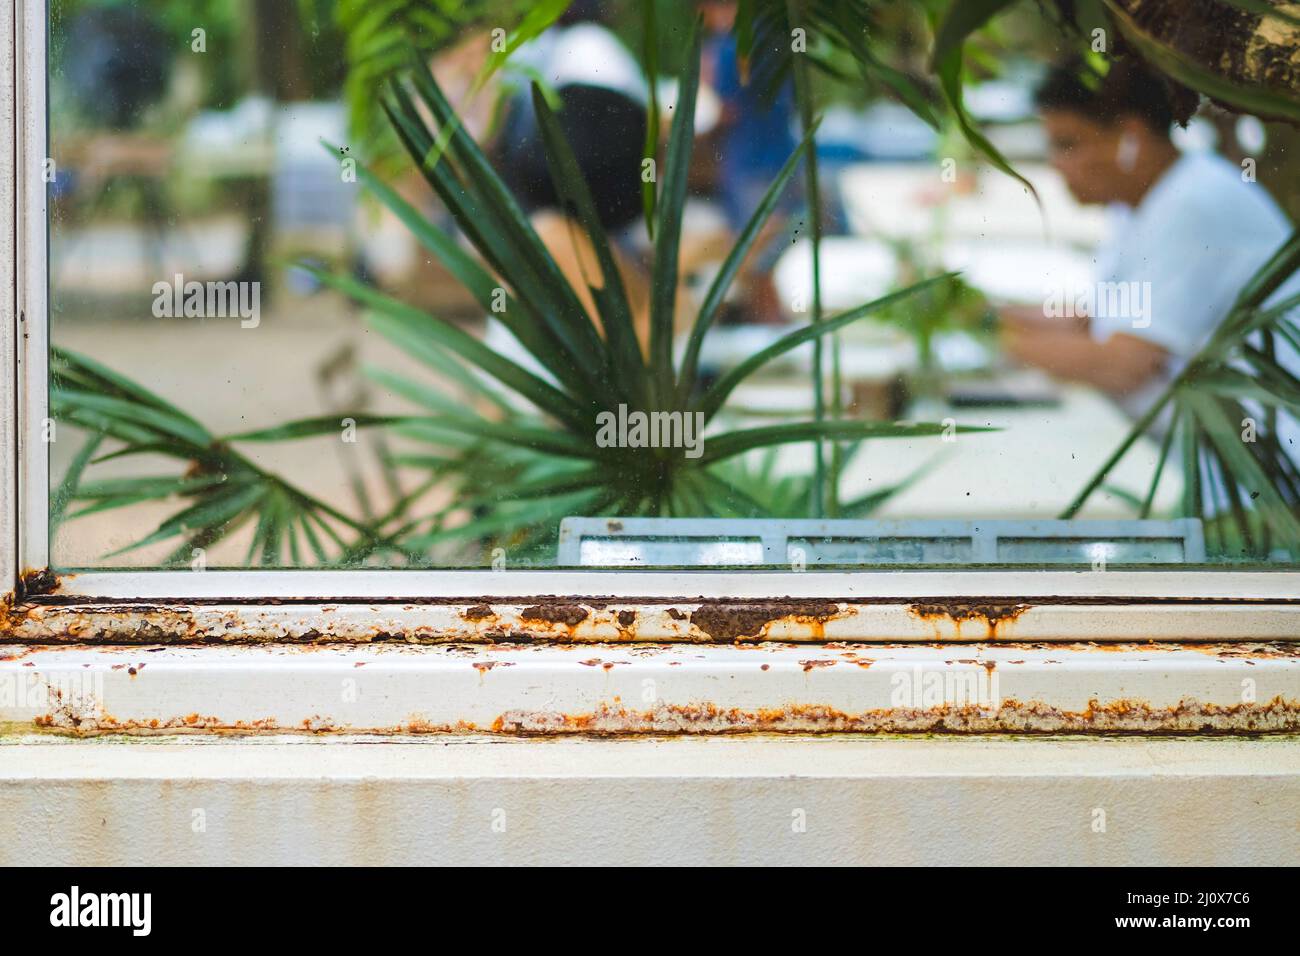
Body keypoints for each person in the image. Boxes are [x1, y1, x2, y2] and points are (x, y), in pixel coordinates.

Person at [1002, 59, 1297, 420]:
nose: (1055, 165)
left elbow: (1124, 365)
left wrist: (991, 342)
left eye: (1068, 144)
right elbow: (1095, 318)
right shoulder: (1141, 201)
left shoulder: (1192, 204)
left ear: (1132, 138)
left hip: (1252, 458)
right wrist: (984, 316)